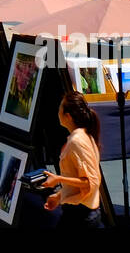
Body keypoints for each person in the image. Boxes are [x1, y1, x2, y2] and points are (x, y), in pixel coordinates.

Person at [43, 90, 104, 228]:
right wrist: (59, 196)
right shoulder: (82, 136)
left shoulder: (77, 141)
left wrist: (58, 179)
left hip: (81, 216)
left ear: (68, 116)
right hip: (80, 213)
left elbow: (90, 181)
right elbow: (78, 179)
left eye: (60, 109)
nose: (57, 112)